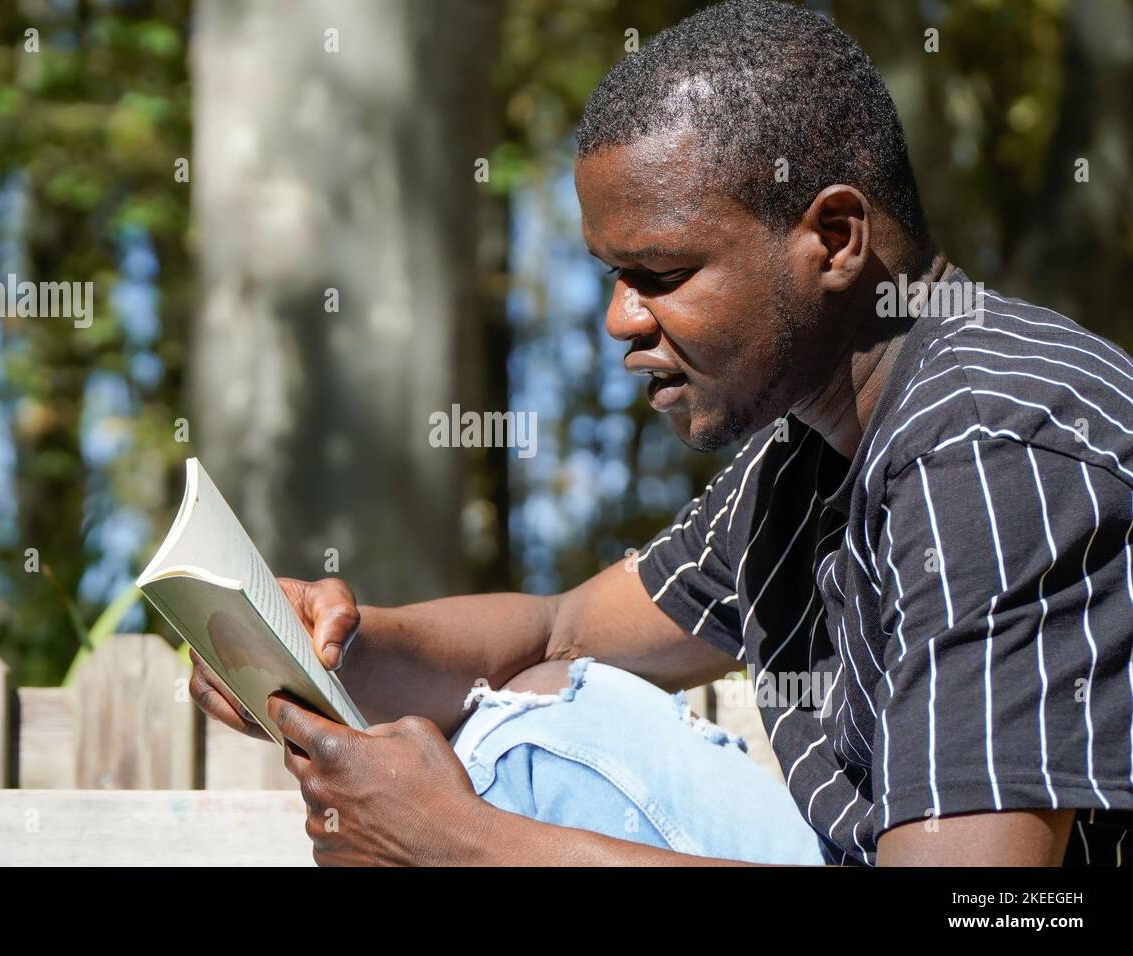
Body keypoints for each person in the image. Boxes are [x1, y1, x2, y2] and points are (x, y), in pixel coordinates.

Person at [192, 0, 1132, 866]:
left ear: (836, 239)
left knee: (525, 757)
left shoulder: (988, 452)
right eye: (611, 271)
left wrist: (463, 846)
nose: (619, 320)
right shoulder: (805, 459)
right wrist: (316, 647)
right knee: (541, 710)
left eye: (663, 271)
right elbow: (556, 633)